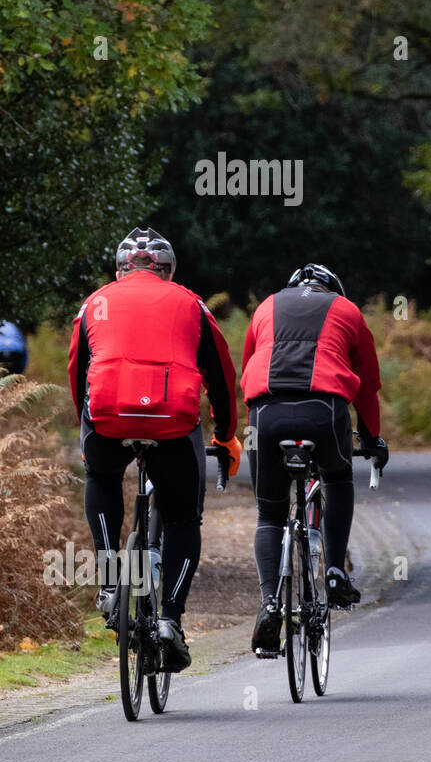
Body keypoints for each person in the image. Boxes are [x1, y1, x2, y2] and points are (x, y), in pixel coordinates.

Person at [68, 227, 240, 671]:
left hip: (105, 418)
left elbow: (77, 369)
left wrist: (84, 425)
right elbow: (221, 375)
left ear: (120, 268)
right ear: (168, 270)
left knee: (102, 476)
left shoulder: (94, 303)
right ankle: (170, 619)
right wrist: (225, 434)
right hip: (172, 421)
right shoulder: (192, 304)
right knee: (184, 517)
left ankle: (110, 582)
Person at [240, 263, 388, 654]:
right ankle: (336, 571)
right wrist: (372, 440)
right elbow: (368, 386)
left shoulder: (266, 307)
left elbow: (247, 372)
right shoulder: (348, 310)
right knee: (338, 479)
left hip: (266, 414)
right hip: (325, 410)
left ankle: (271, 603)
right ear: (333, 290)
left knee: (270, 515)